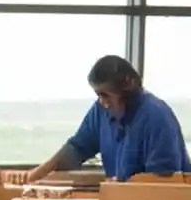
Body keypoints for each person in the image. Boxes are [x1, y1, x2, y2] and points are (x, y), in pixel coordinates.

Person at [13, 55, 190, 183]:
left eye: (105, 95)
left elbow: (163, 180)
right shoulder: (101, 111)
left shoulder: (156, 116)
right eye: (98, 95)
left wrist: (120, 188)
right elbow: (77, 148)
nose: (102, 102)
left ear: (128, 86)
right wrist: (37, 173)